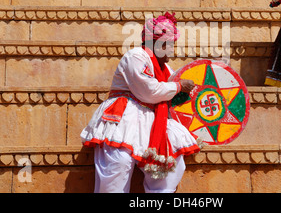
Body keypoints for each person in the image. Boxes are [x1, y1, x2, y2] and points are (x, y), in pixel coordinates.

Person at [80, 12, 201, 193]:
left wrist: (186, 92)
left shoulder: (165, 67)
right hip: (123, 123)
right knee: (118, 166)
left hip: (152, 123)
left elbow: (171, 93)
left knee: (167, 168)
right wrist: (178, 86)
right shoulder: (135, 56)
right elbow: (149, 91)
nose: (172, 50)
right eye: (170, 45)